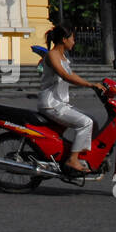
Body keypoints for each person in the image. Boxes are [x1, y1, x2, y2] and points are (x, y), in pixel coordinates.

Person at [38, 23, 104, 173]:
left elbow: (71, 74)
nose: (74, 42)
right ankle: (72, 160)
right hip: (51, 104)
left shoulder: (63, 57)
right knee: (86, 123)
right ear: (64, 39)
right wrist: (89, 85)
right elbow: (65, 76)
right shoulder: (52, 55)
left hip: (61, 104)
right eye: (72, 38)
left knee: (93, 121)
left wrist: (93, 84)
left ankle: (83, 155)